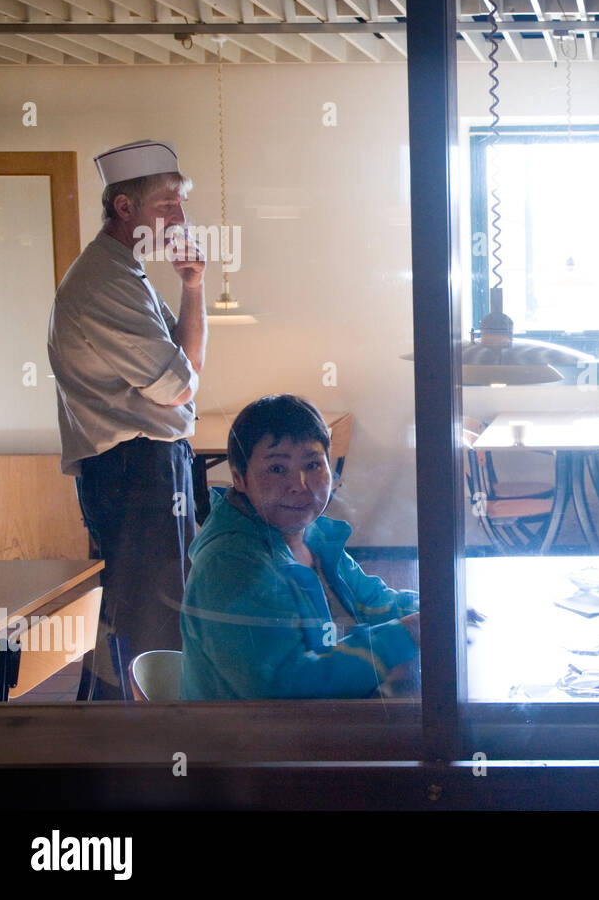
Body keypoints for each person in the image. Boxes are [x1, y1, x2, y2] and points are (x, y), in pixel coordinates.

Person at [48, 140, 207, 700]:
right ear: (124, 209)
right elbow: (179, 383)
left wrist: (193, 284)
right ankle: (153, 756)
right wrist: (182, 381)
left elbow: (187, 371)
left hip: (148, 464)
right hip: (133, 468)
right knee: (151, 622)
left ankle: (123, 743)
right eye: (167, 205)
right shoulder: (104, 282)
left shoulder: (127, 273)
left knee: (140, 615)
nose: (180, 220)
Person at [180, 395, 421, 699]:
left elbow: (370, 600)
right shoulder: (231, 566)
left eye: (312, 464)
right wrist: (404, 635)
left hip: (312, 727)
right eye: (277, 469)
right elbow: (287, 690)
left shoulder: (309, 535)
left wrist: (432, 612)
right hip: (252, 741)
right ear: (239, 478)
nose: (300, 484)